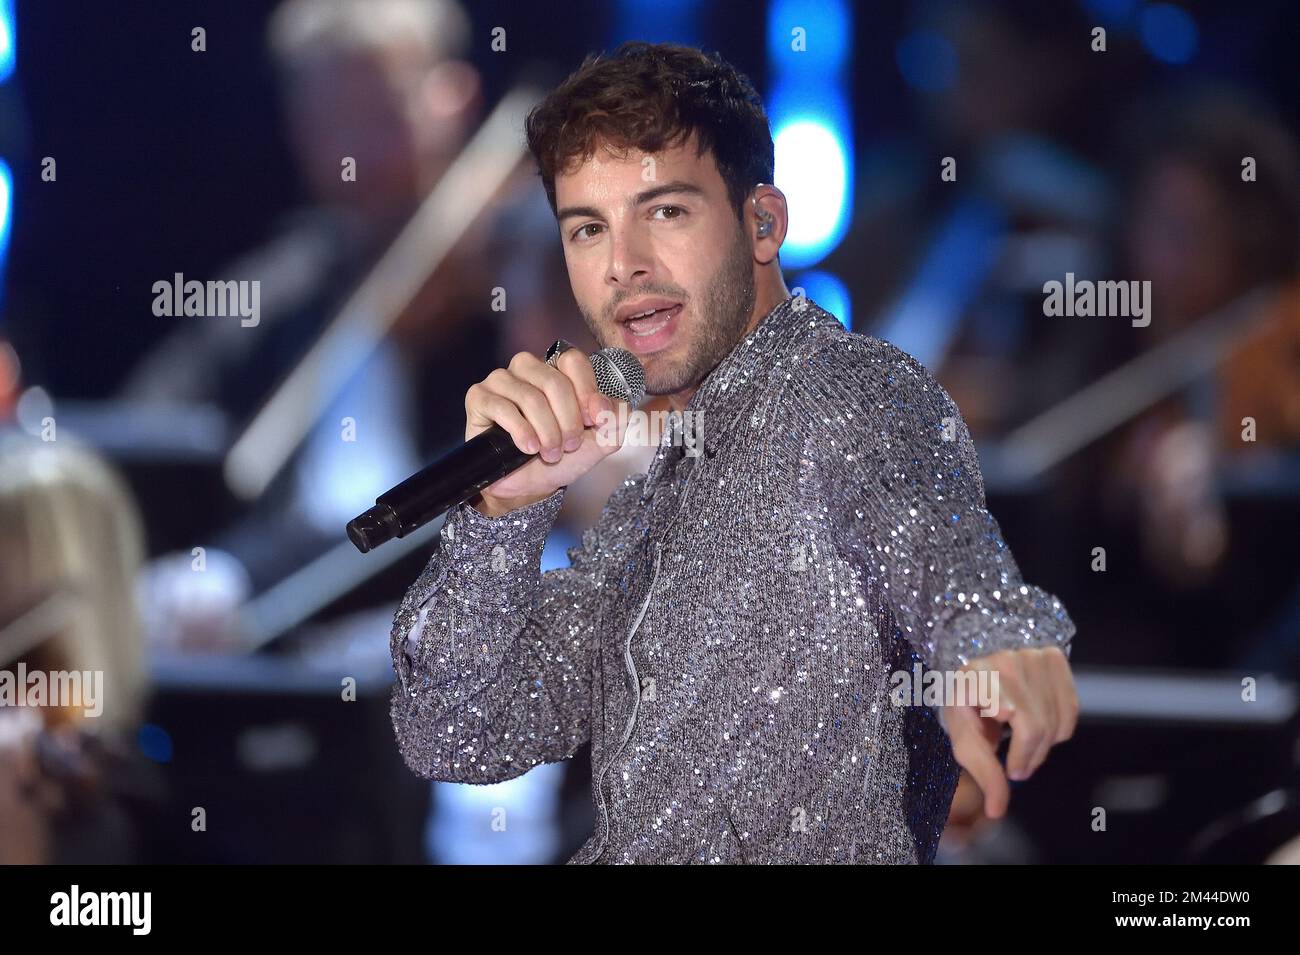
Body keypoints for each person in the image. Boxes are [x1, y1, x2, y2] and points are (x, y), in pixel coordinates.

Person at [388, 42, 1079, 864]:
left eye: (666, 211)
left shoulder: (847, 392)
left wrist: (993, 644)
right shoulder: (660, 494)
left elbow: (941, 546)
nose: (623, 266)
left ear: (763, 222)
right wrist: (498, 517)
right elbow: (455, 732)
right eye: (588, 228)